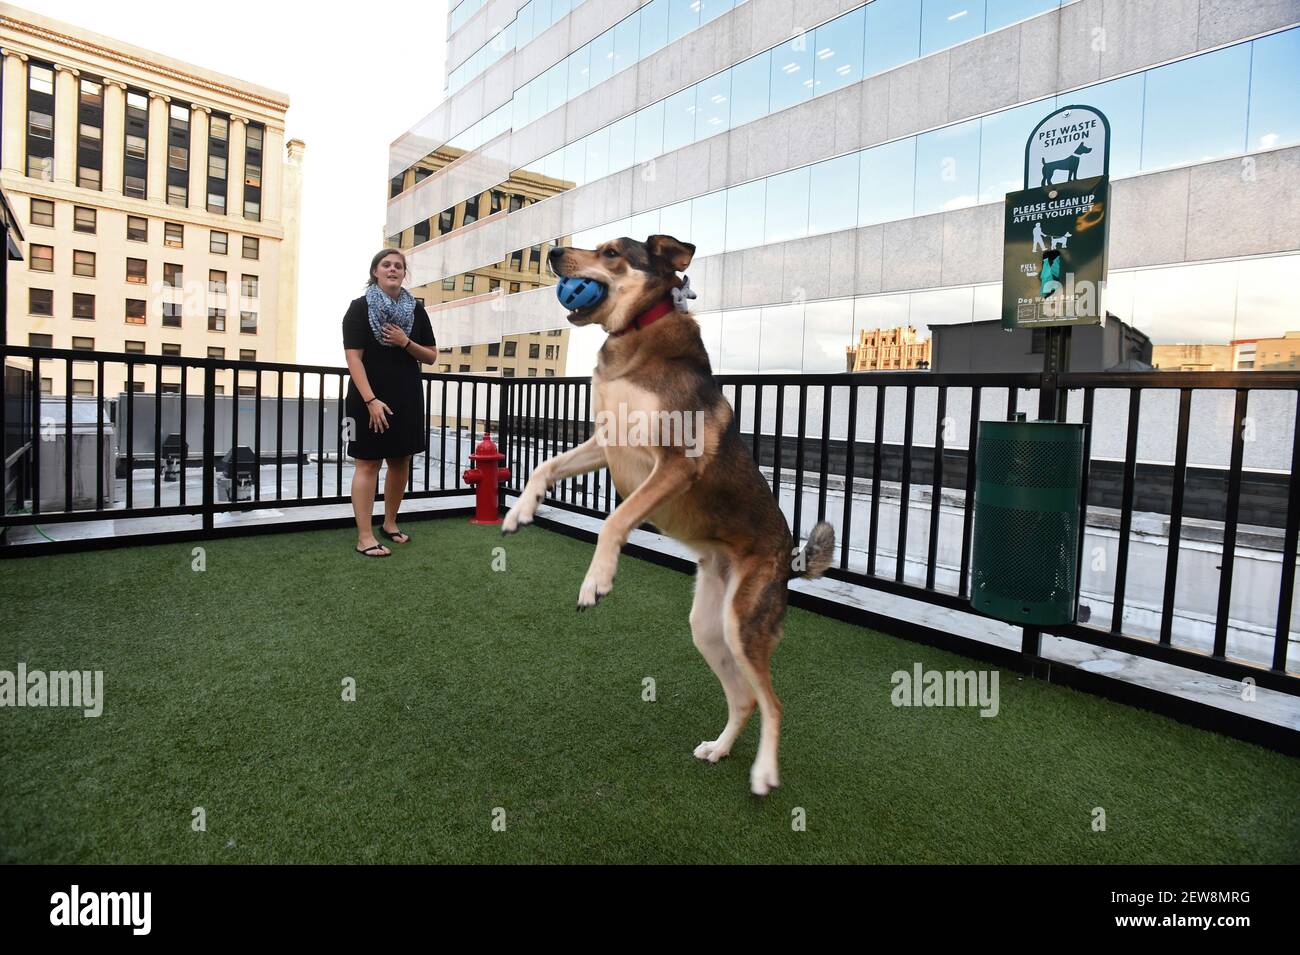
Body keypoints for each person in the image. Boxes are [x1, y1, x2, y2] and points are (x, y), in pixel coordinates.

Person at [342, 249, 438, 557]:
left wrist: (405, 341)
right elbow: (353, 358)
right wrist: (371, 400)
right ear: (375, 272)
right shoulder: (359, 308)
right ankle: (365, 536)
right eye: (387, 265)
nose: (393, 269)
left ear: (404, 273)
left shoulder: (416, 310)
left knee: (401, 461)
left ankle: (390, 523)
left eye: (399, 266)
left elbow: (431, 356)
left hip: (406, 396)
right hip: (366, 398)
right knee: (367, 463)